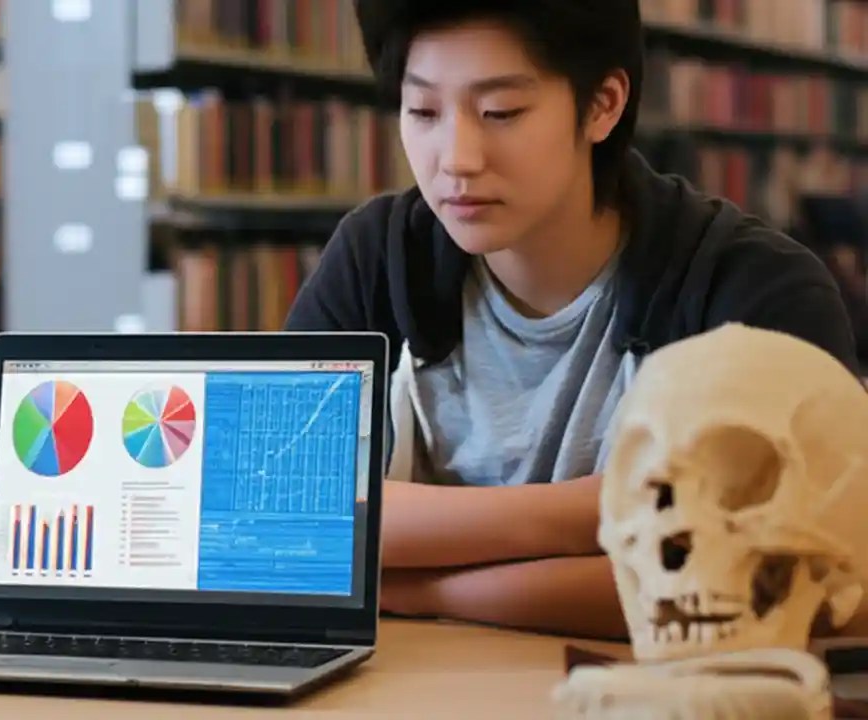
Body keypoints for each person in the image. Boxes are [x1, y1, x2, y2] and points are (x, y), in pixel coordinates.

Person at [284, 0, 861, 639]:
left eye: (500, 112)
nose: (456, 159)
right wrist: (588, 513)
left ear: (603, 104)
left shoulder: (752, 289)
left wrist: (424, 586)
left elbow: (788, 580)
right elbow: (280, 518)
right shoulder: (378, 260)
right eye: (422, 111)